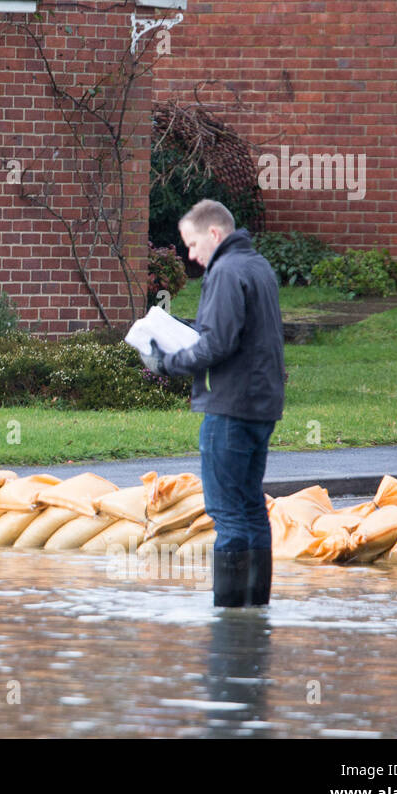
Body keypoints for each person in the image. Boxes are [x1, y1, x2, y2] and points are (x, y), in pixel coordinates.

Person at [140, 200, 285, 607]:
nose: (190, 255)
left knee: (227, 513)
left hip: (230, 406)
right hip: (261, 405)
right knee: (251, 507)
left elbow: (218, 344)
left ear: (215, 235)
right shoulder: (258, 266)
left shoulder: (225, 271)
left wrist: (167, 364)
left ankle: (230, 614)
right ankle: (255, 609)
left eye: (192, 244)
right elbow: (232, 333)